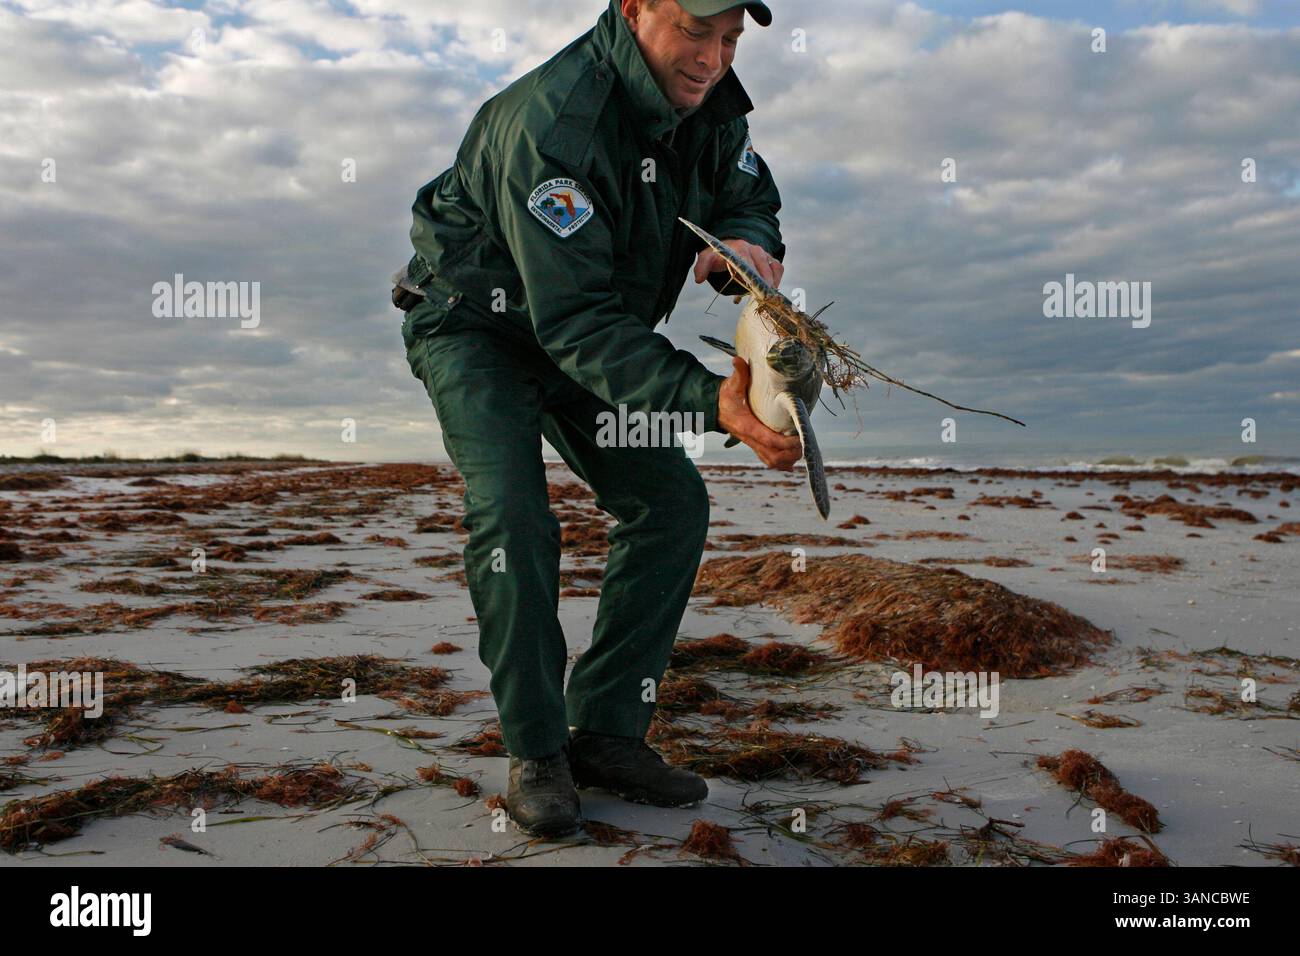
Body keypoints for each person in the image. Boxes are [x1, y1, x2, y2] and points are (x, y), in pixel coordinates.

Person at [396, 0, 799, 836]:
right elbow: (573, 326)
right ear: (633, 8)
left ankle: (608, 732)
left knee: (672, 503)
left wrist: (744, 241)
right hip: (480, 330)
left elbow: (751, 192)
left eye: (730, 38)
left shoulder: (716, 111)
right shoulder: (553, 127)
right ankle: (538, 753)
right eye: (695, 30)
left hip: (594, 332)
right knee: (512, 518)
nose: (713, 59)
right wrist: (711, 400)